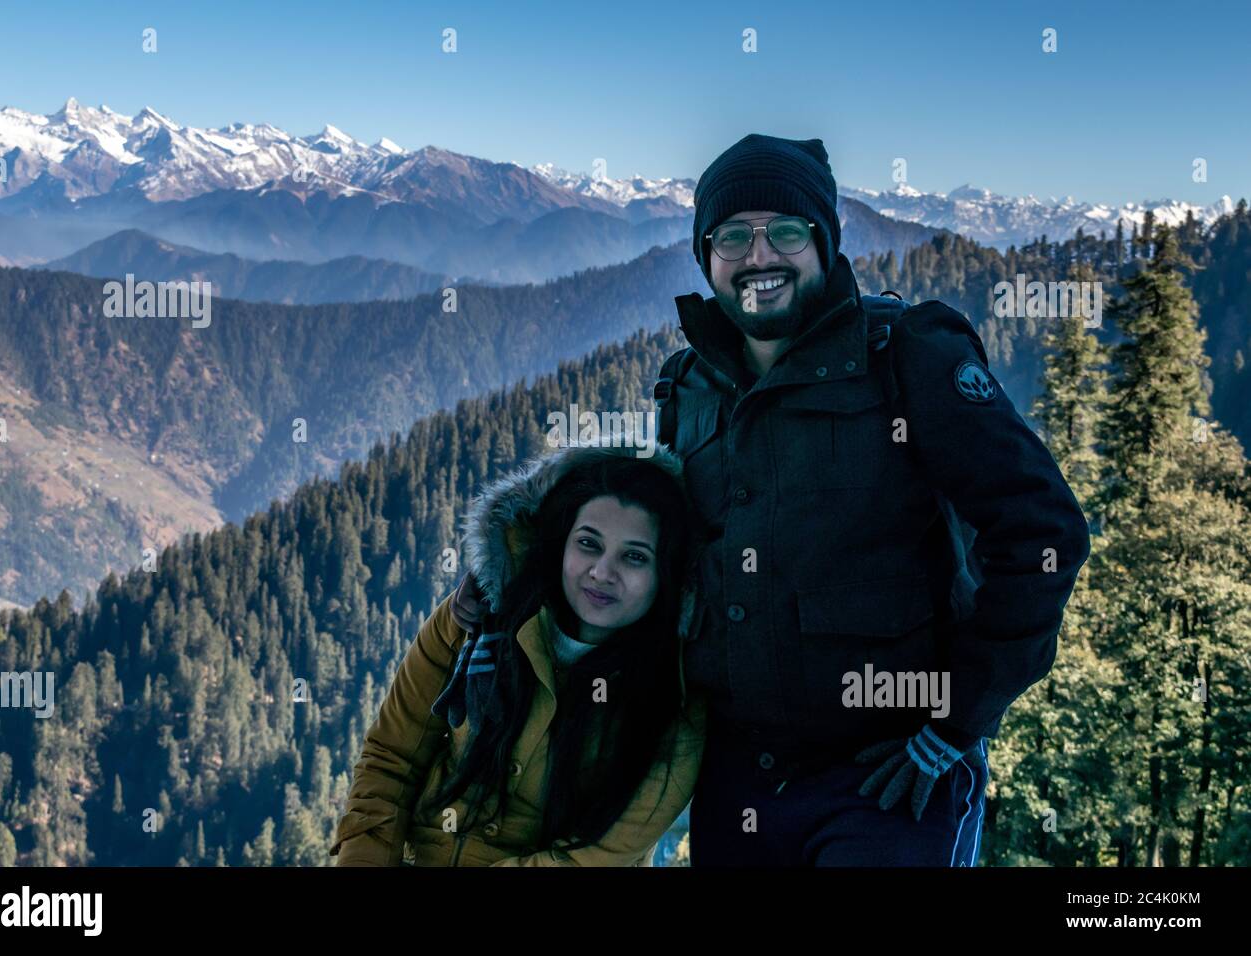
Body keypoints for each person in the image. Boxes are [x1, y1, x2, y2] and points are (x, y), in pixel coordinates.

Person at [454, 134, 1091, 867]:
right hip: (738, 779)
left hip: (889, 777)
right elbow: (649, 548)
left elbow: (1043, 533)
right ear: (707, 257)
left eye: (785, 231)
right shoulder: (686, 389)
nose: (759, 257)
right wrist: (510, 580)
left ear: (823, 242)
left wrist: (954, 721)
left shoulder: (905, 355)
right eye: (733, 237)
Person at [331, 442, 706, 866]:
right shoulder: (475, 620)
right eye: (588, 543)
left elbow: (588, 861)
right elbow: (391, 759)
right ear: (561, 542)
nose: (602, 572)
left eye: (634, 557)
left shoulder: (675, 711)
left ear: (667, 575)